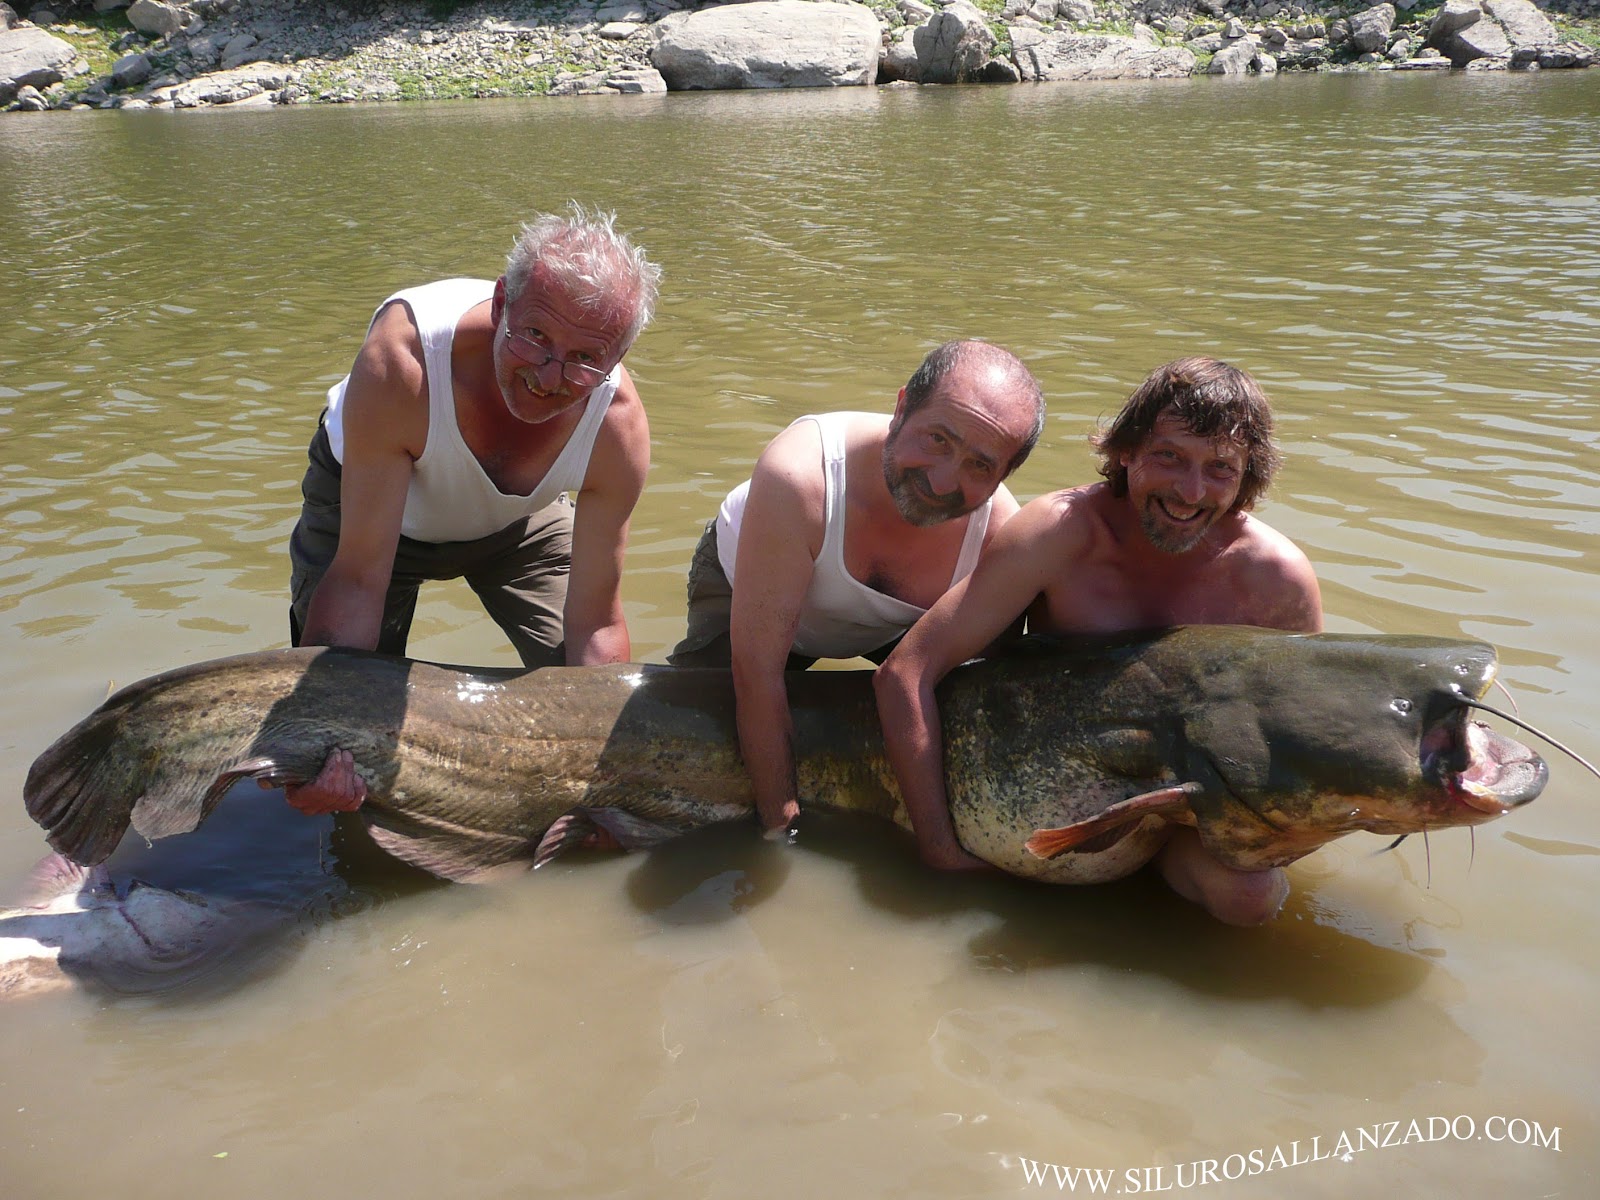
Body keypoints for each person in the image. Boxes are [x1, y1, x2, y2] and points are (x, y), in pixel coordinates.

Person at [874, 356, 1323, 922]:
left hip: (1185, 814)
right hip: (1049, 801)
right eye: (1169, 457)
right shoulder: (1058, 533)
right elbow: (907, 672)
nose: (1190, 491)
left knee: (1248, 899)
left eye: (1220, 469)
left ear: (1247, 476)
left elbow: (1300, 748)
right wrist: (939, 849)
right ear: (1126, 451)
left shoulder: (1277, 580)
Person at [281, 205, 661, 814]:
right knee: (342, 725)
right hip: (379, 518)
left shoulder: (617, 426)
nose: (548, 376)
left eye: (586, 358)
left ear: (618, 358)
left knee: (587, 702)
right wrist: (321, 746)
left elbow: (596, 623)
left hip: (519, 519)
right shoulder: (405, 360)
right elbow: (356, 580)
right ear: (501, 300)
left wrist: (606, 781)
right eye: (534, 336)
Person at [668, 340, 1046, 846]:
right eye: (937, 438)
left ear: (1004, 475)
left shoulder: (999, 535)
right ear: (900, 407)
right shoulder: (799, 477)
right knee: (684, 737)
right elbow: (756, 674)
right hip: (748, 586)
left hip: (892, 626)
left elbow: (986, 704)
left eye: (980, 466)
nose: (942, 480)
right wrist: (780, 833)